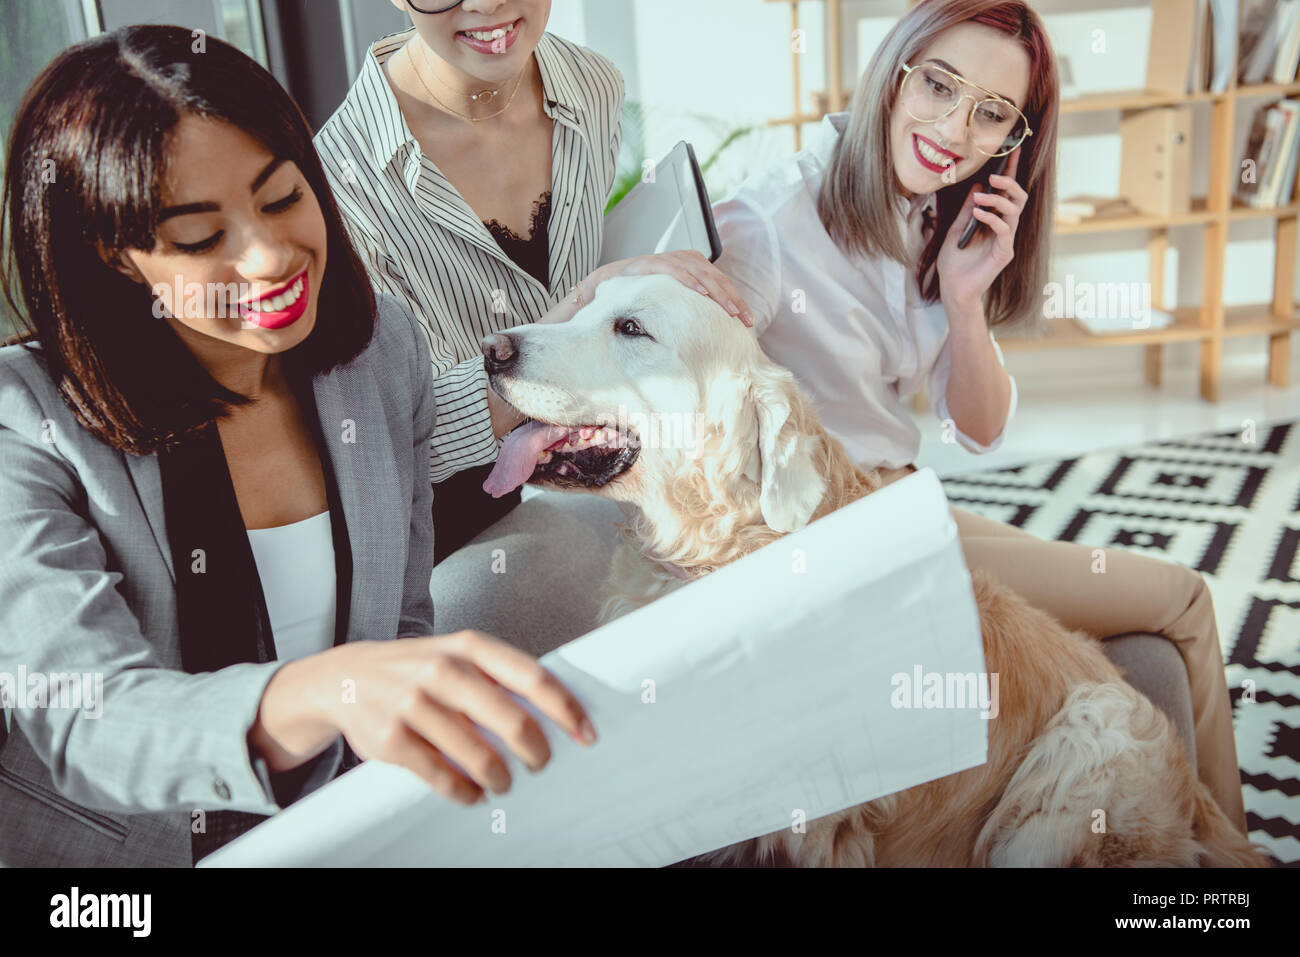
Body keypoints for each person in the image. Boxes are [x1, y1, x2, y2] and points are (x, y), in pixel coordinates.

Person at [0, 25, 596, 868]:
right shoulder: (22, 421)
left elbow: (397, 625)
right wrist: (327, 690)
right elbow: (85, 715)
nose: (272, 255)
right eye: (203, 239)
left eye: (282, 198)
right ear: (118, 257)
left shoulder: (382, 352)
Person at [712, 0, 1247, 832]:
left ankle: (1201, 844)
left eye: (991, 113)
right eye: (938, 85)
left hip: (904, 504)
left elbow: (983, 430)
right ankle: (1233, 855)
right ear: (895, 73)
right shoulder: (769, 220)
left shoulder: (931, 210)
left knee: (1152, 607)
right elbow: (691, 384)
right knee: (1181, 599)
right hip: (844, 531)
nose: (955, 129)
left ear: (1016, 138)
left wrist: (966, 305)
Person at [315, 0, 752, 563]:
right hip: (454, 531)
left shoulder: (592, 85)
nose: (486, 4)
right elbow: (386, 441)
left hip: (602, 469)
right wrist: (583, 301)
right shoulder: (335, 183)